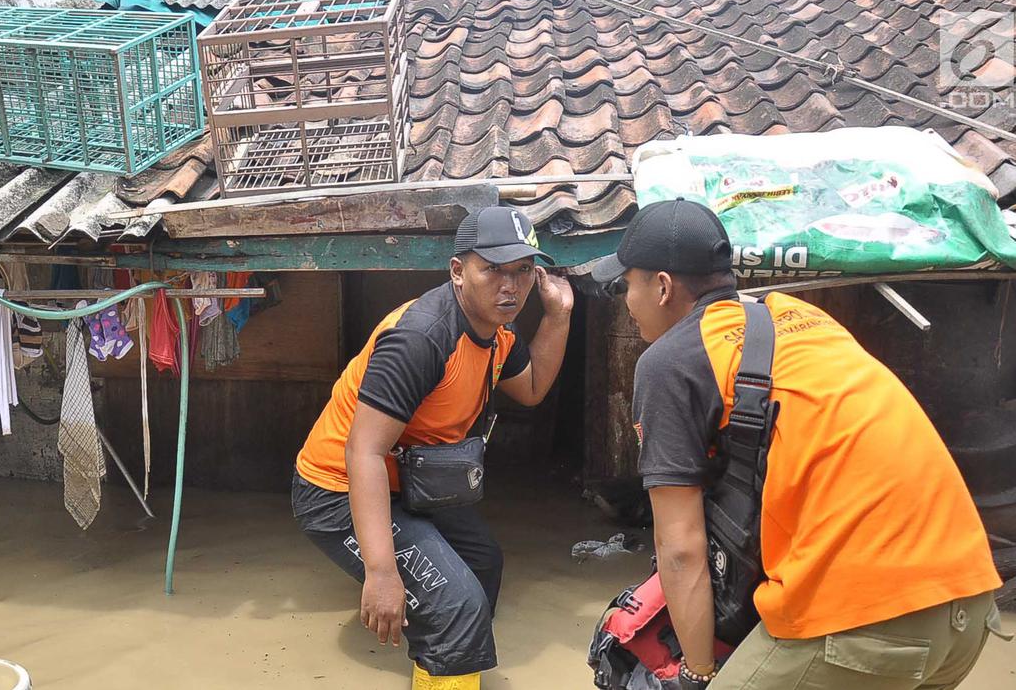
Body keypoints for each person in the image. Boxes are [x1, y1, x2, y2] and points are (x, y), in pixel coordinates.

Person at [588, 198, 1008, 690]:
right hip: (970, 603)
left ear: (661, 287)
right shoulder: (799, 321)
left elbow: (680, 547)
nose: (625, 300)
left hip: (865, 620)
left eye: (627, 284)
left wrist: (695, 673)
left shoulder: (671, 361)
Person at [292, 206, 574, 689]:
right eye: (494, 270)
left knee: (482, 563)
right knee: (456, 603)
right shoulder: (421, 339)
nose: (511, 286)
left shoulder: (497, 334)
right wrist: (381, 573)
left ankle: (442, 658)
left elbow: (530, 390)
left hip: (410, 482)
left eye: (523, 271)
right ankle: (448, 639)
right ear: (458, 272)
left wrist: (559, 315)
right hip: (335, 490)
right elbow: (362, 453)